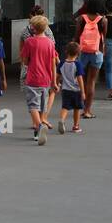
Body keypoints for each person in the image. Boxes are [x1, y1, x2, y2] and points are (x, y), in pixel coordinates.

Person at [20, 14, 58, 145]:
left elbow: (24, 61)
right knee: (42, 105)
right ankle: (37, 133)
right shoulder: (50, 43)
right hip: (46, 79)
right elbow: (53, 62)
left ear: (33, 28)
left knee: (32, 106)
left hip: (32, 78)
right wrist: (54, 81)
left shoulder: (29, 42)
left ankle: (40, 126)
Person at [73, 0, 107, 118]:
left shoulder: (81, 19)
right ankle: (87, 111)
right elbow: (104, 38)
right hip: (96, 52)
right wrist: (103, 52)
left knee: (80, 80)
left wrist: (73, 52)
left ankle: (78, 107)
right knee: (91, 81)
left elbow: (76, 37)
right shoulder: (103, 20)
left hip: (82, 52)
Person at [56, 42, 85, 135]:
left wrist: (56, 84)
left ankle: (62, 120)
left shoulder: (62, 64)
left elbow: (57, 76)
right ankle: (76, 126)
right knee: (77, 108)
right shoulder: (78, 64)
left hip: (65, 90)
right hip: (76, 90)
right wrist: (83, 91)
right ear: (78, 53)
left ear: (66, 52)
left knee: (65, 107)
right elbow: (80, 79)